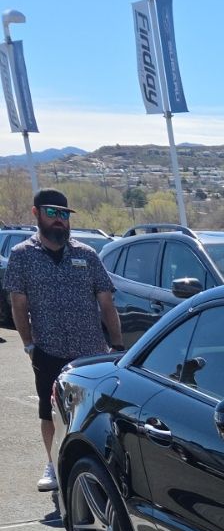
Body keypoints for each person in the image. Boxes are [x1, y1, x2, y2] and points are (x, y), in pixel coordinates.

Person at [3, 189, 123, 495]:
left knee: (95, 411)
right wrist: (29, 344)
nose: (59, 221)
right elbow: (18, 303)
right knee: (50, 411)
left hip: (90, 353)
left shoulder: (86, 255)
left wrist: (117, 345)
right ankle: (53, 464)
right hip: (49, 349)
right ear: (37, 214)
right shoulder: (22, 256)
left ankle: (100, 465)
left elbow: (107, 303)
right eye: (52, 213)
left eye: (64, 215)